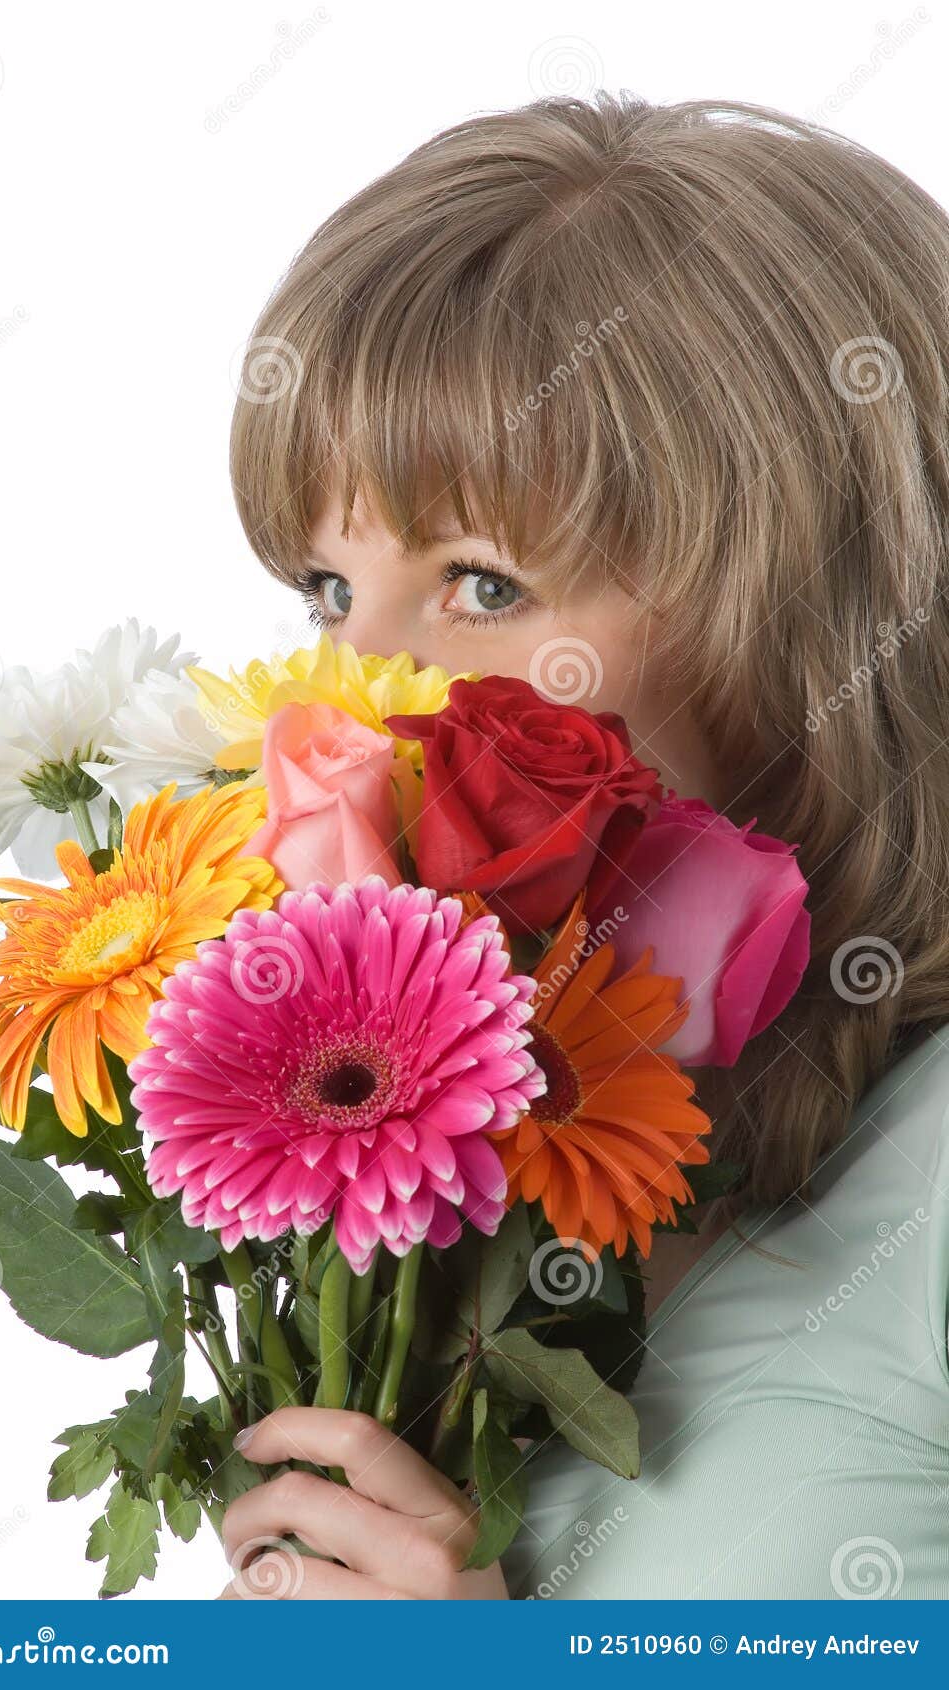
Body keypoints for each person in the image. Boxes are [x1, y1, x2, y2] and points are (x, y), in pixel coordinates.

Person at [216, 93, 949, 1599]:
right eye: (322, 587)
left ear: (808, 627)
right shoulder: (419, 1208)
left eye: (483, 584)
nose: (350, 688)